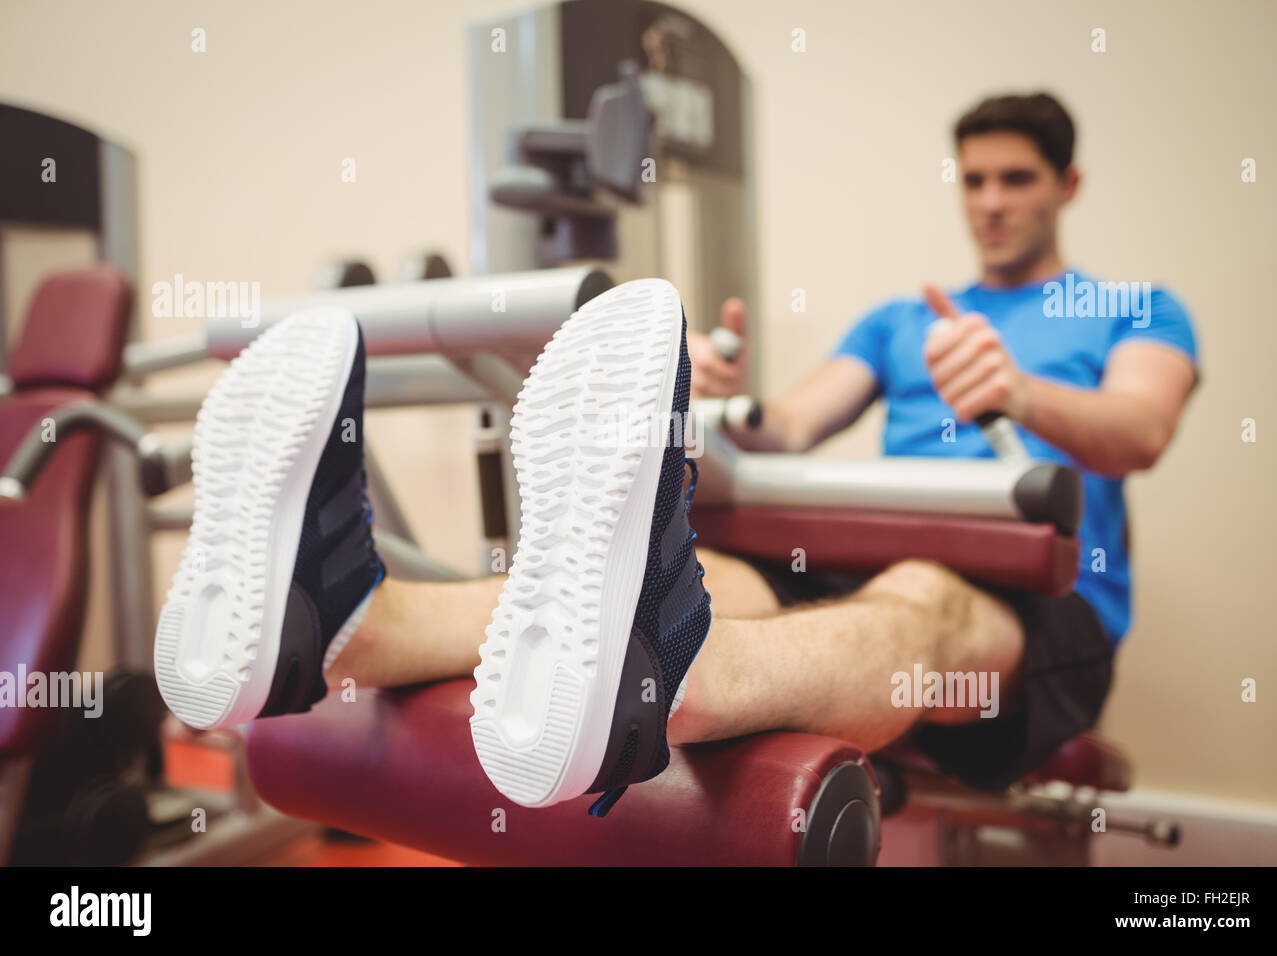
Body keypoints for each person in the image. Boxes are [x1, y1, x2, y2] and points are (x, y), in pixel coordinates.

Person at [153, 91, 1199, 813]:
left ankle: (667, 677)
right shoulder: (900, 319)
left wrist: (1018, 390)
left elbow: (1140, 430)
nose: (989, 201)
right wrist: (728, 394)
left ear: (1068, 182)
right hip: (855, 555)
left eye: (1015, 178)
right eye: (972, 178)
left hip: (1038, 593)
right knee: (719, 579)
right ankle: (347, 622)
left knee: (920, 592)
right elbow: (787, 427)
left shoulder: (1133, 308)